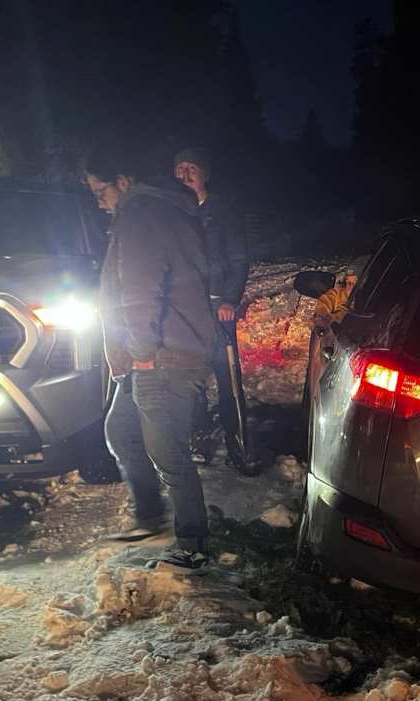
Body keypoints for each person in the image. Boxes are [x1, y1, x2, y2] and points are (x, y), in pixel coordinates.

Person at [84, 150, 218, 573]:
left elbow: (141, 290)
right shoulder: (148, 213)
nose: (98, 201)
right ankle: (150, 515)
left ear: (122, 180)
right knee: (122, 430)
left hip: (163, 355)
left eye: (100, 190)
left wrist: (140, 353)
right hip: (148, 354)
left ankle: (193, 543)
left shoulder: (142, 215)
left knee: (168, 450)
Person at [172, 147, 256, 473]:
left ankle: (239, 444)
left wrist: (230, 299)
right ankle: (198, 438)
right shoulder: (173, 214)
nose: (185, 175)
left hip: (217, 304)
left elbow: (238, 259)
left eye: (191, 168)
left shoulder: (223, 211)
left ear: (204, 173)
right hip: (185, 309)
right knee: (189, 376)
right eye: (179, 169)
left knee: (227, 377)